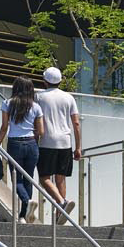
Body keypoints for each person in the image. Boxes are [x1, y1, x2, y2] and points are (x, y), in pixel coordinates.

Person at [32, 67, 82, 212]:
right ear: (60, 81)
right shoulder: (69, 97)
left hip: (47, 142)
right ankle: (61, 212)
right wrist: (78, 147)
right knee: (61, 179)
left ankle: (62, 202)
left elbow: (35, 121)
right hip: (65, 142)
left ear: (45, 81)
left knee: (44, 178)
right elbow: (76, 123)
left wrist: (34, 140)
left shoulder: (39, 97)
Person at [0, 77, 45, 221]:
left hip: (14, 144)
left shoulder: (7, 103)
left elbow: (4, 127)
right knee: (28, 178)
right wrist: (33, 134)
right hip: (31, 144)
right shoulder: (36, 107)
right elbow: (41, 131)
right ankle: (24, 215)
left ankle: (26, 203)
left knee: (16, 179)